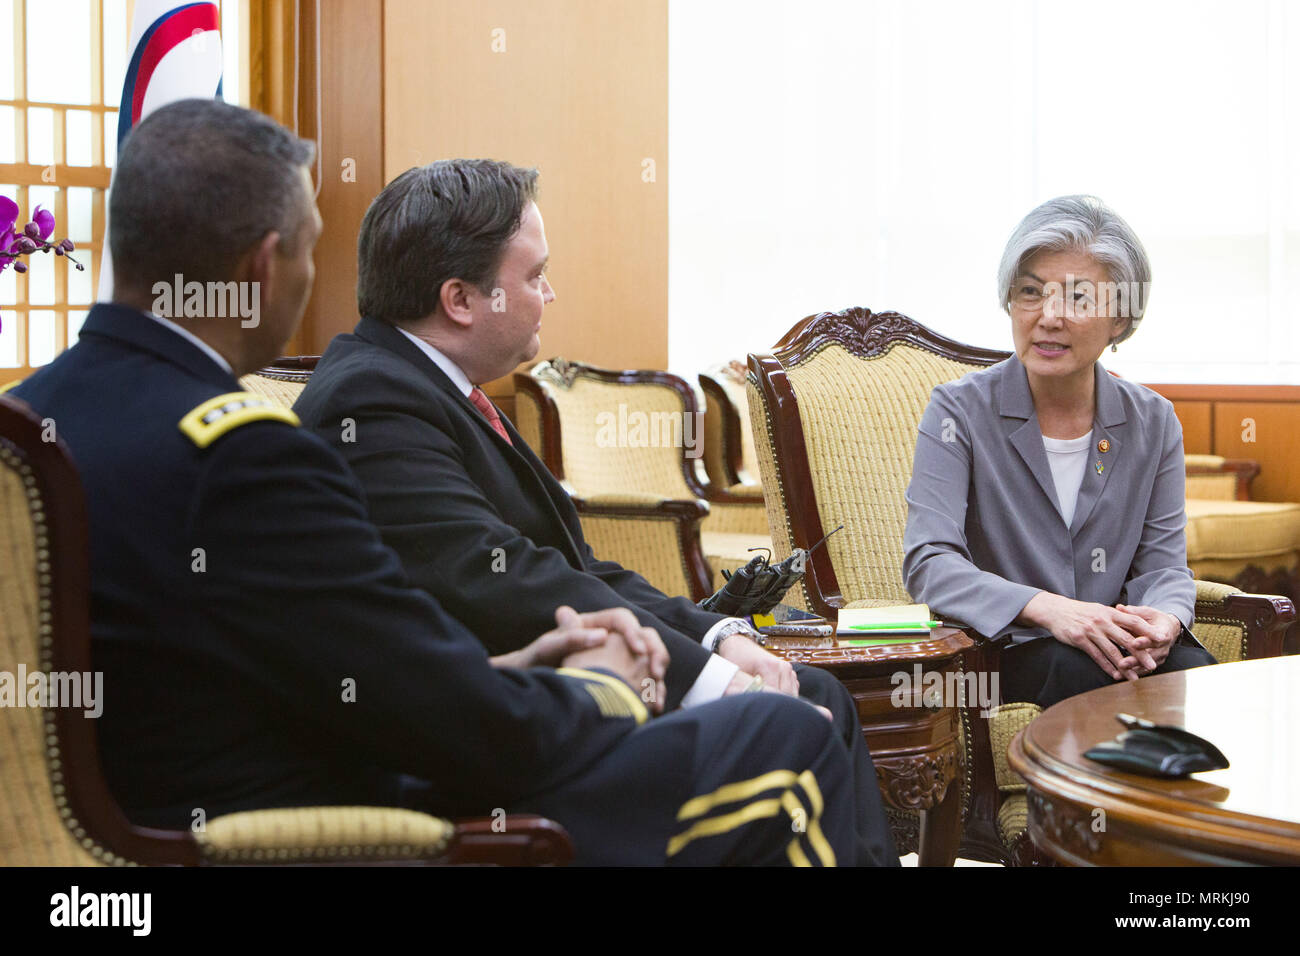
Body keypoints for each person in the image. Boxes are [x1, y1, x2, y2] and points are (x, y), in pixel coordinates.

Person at [9, 98, 863, 866]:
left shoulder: (31, 421)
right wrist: (607, 685)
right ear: (265, 266)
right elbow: (451, 721)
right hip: (310, 832)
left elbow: (347, 669)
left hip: (146, 825)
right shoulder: (244, 455)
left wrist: (529, 664)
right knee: (782, 737)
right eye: (310, 249)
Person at [292, 159, 898, 865]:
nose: (550, 293)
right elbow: (494, 578)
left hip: (541, 694)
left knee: (818, 690)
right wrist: (709, 682)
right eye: (535, 275)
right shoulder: (372, 399)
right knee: (790, 725)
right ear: (460, 299)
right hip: (473, 748)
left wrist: (719, 638)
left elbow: (576, 567)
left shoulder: (436, 387)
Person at [903, 195, 1216, 709]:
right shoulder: (957, 411)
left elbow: (1163, 567)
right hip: (1002, 652)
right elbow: (929, 563)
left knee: (1192, 672)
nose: (1049, 317)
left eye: (1078, 297)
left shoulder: (1153, 420)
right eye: (1030, 292)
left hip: (1110, 646)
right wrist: (1050, 609)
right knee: (1074, 670)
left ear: (1120, 319)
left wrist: (1165, 619)